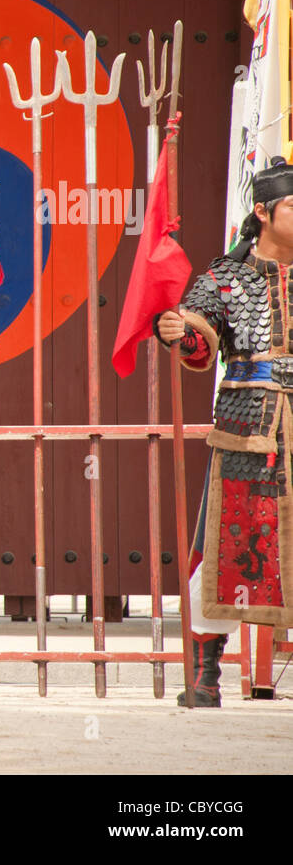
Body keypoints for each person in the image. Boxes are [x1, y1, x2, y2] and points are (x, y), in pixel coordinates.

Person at [155, 157, 293, 706]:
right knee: (229, 551)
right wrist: (179, 332)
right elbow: (198, 340)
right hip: (249, 427)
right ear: (262, 212)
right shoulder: (223, 277)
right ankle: (203, 674)